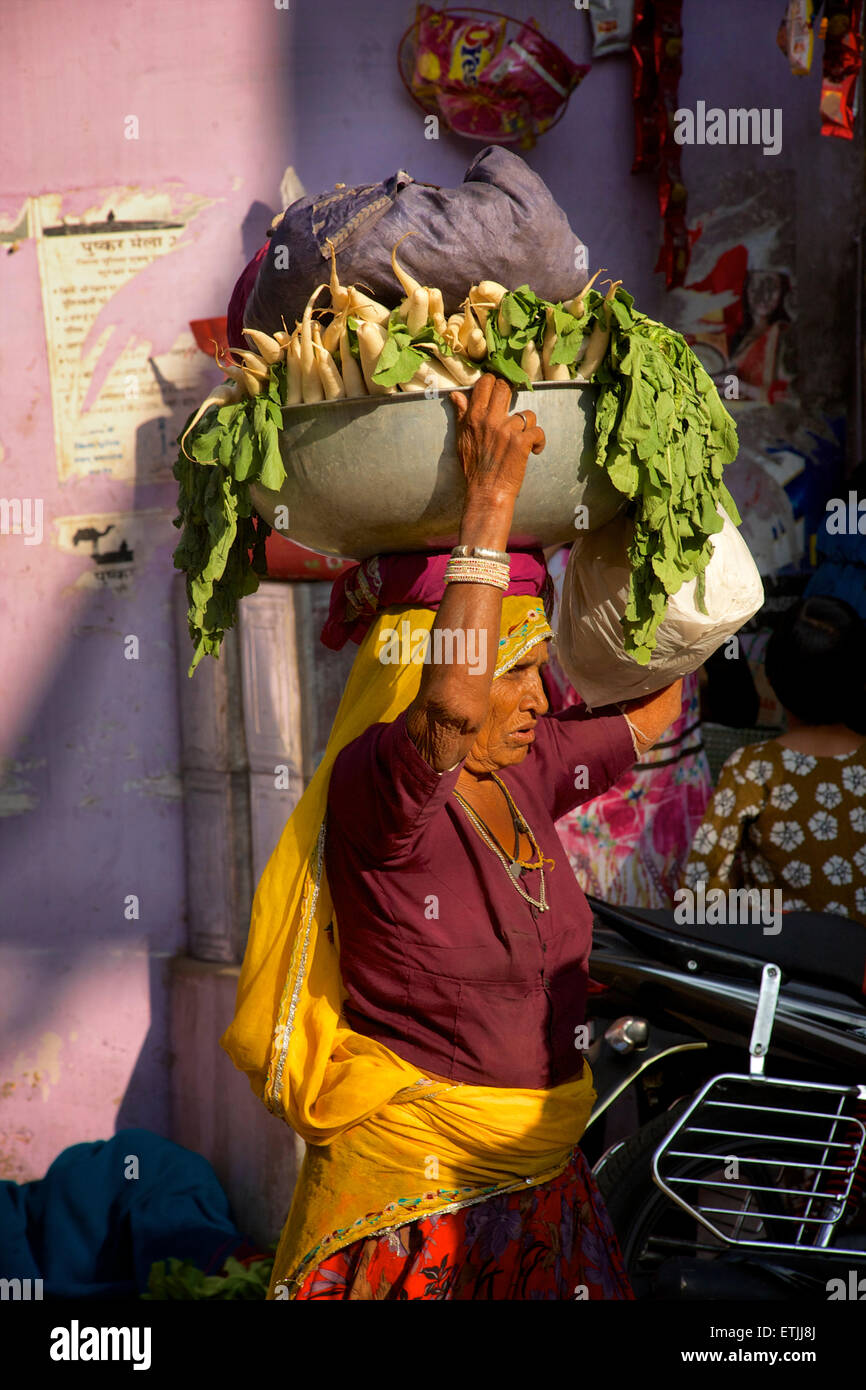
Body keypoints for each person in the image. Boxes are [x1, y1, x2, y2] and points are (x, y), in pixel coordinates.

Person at [221, 375, 682, 1300]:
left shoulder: (525, 762)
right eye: (515, 672)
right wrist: (488, 505)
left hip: (546, 1179)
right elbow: (448, 705)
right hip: (418, 1206)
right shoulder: (383, 794)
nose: (538, 699)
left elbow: (657, 702)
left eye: (538, 671)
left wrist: (648, 513)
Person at [683, 596, 866, 919]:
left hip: (783, 961)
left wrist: (750, 909)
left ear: (770, 674)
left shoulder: (751, 769)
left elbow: (699, 893)